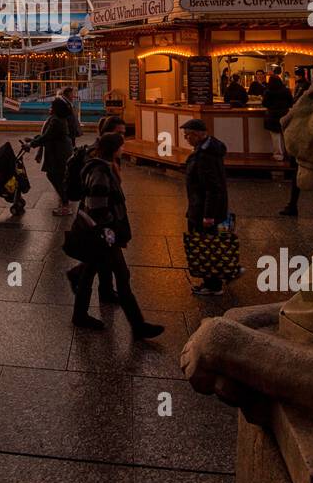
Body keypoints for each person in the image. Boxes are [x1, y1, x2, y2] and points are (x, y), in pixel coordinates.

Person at [69, 130, 164, 339]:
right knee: (122, 277)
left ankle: (80, 313)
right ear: (114, 149)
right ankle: (138, 326)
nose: (124, 148)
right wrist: (110, 230)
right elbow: (97, 204)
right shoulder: (101, 171)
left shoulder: (102, 166)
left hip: (100, 233)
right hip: (104, 234)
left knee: (90, 274)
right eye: (121, 145)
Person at [66, 113, 127, 307]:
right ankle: (101, 293)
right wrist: (107, 221)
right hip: (99, 217)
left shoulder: (109, 153)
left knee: (99, 258)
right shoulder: (96, 156)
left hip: (103, 215)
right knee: (110, 261)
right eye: (119, 133)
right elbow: (95, 189)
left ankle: (100, 290)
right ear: (108, 133)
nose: (123, 137)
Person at [181, 118, 230, 295]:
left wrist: (208, 215)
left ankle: (212, 285)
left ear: (197, 135)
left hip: (203, 209)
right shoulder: (209, 149)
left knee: (205, 246)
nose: (186, 139)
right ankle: (216, 278)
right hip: (204, 206)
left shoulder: (205, 156)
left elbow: (212, 187)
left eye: (187, 135)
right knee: (210, 244)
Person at [279, 72, 313, 218]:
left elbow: (286, 121)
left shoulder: (305, 106)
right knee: (304, 175)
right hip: (307, 147)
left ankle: (293, 206)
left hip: (304, 147)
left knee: (302, 175)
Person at [31, 96, 74, 216]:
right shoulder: (58, 119)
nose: (49, 108)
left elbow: (47, 136)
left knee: (55, 175)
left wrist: (31, 144)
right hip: (59, 150)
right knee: (56, 176)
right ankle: (64, 200)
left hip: (58, 152)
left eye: (52, 106)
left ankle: (65, 204)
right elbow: (47, 135)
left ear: (56, 109)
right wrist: (34, 140)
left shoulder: (56, 120)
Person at [263, 64, 294, 161]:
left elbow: (265, 103)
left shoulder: (268, 92)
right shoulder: (286, 90)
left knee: (275, 136)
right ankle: (289, 154)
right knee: (286, 135)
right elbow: (291, 102)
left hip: (272, 116)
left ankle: (278, 155)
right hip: (284, 114)